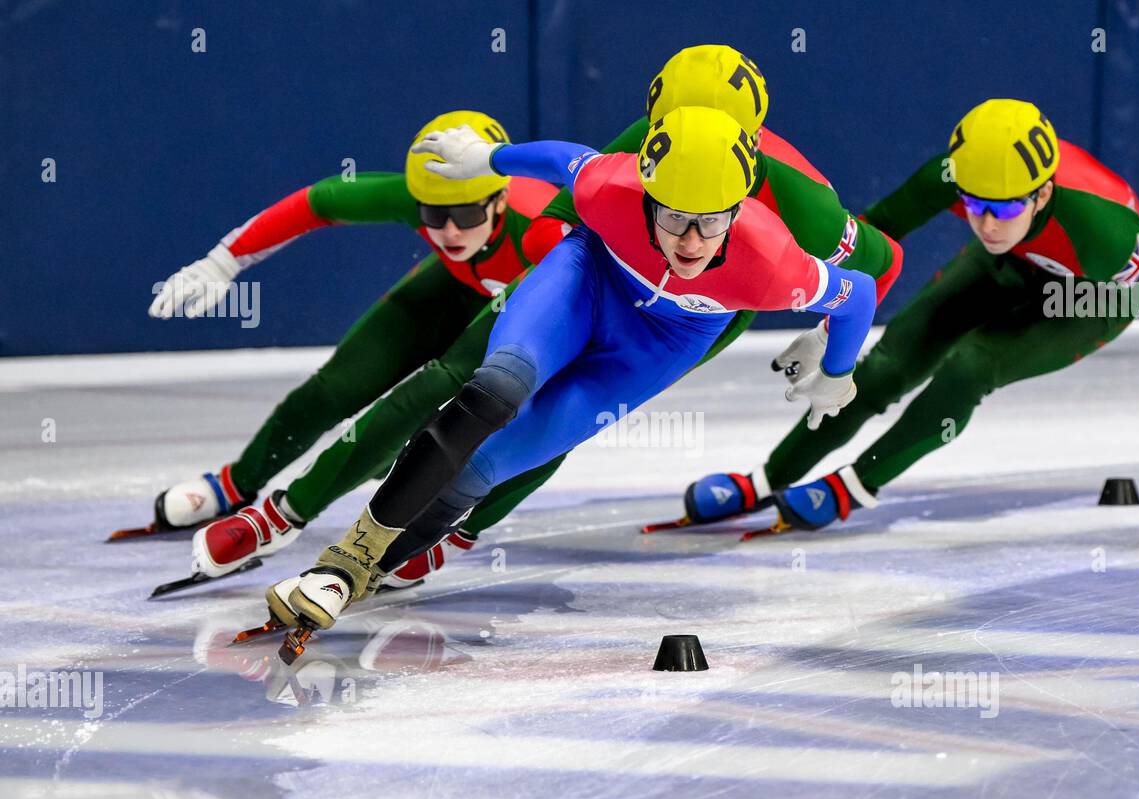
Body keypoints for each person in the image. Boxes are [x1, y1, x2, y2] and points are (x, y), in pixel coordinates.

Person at [263, 105, 882, 656]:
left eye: (711, 221)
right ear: (645, 194)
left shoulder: (771, 262)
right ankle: (344, 563)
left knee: (488, 471)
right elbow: (564, 161)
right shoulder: (611, 187)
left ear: (739, 207)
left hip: (657, 345)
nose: (691, 242)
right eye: (672, 216)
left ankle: (370, 573)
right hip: (585, 281)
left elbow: (858, 293)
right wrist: (487, 159)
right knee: (496, 390)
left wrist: (837, 369)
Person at [682, 98, 1139, 535]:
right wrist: (828, 322)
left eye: (1002, 209)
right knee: (885, 366)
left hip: (1090, 297)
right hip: (1012, 262)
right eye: (972, 204)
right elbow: (876, 235)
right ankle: (768, 476)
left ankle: (856, 485)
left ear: (1043, 192)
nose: (984, 222)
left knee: (971, 365)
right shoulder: (961, 179)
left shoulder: (1106, 239)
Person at [131, 112, 554, 569]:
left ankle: (447, 537)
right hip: (458, 288)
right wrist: (221, 262)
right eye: (433, 215)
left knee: (502, 420)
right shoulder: (420, 199)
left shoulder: (540, 230)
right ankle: (233, 485)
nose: (450, 232)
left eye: (468, 213)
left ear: (500, 199)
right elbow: (317, 202)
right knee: (333, 388)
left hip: (534, 305)